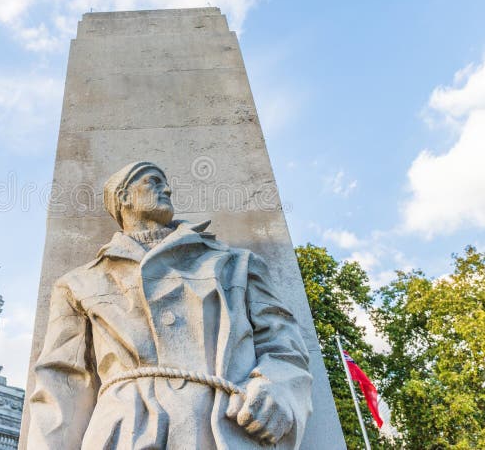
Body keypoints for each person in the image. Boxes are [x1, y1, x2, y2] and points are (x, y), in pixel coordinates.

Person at [28, 161, 312, 449]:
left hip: (226, 431)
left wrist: (277, 389)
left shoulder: (236, 263)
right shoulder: (78, 283)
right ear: (123, 197)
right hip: (121, 436)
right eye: (152, 181)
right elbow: (60, 386)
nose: (167, 188)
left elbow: (284, 346)